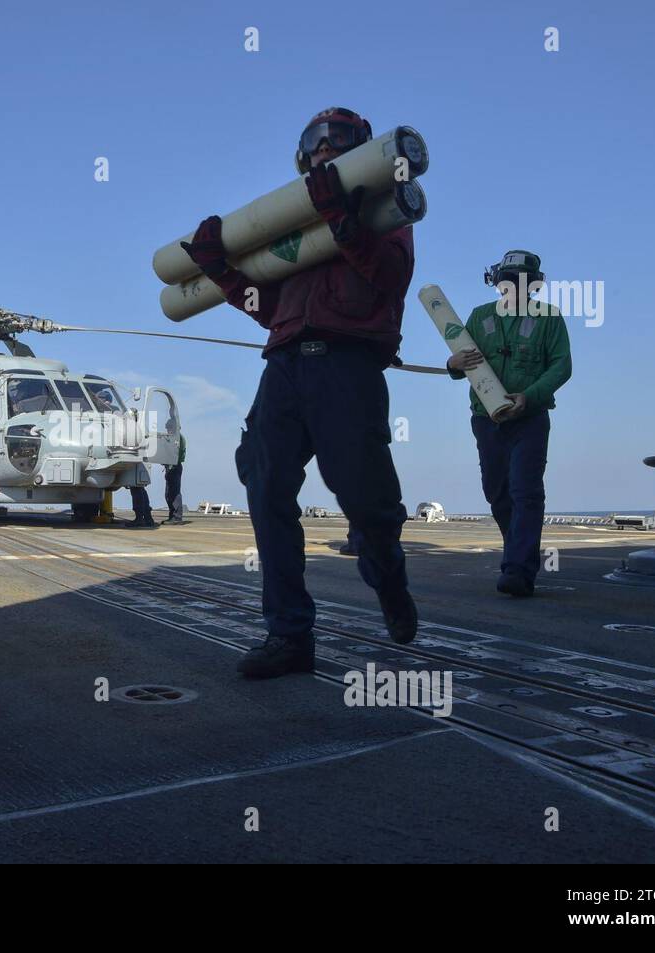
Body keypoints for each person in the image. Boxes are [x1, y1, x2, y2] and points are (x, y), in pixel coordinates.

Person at [180, 106, 419, 679]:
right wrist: (221, 271)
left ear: (364, 147)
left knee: (367, 503)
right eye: (315, 139)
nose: (324, 147)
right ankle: (289, 636)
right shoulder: (293, 230)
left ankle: (389, 579)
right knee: (266, 493)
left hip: (349, 368)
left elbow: (388, 280)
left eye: (339, 138)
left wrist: (348, 224)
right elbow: (270, 311)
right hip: (285, 368)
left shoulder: (387, 211)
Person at [447, 250, 571, 597]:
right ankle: (517, 548)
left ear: (533, 285)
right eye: (507, 279)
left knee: (525, 491)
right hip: (486, 420)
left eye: (520, 281)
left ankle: (518, 569)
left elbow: (561, 366)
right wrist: (453, 363)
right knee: (497, 492)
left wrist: (528, 396)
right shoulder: (479, 316)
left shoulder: (549, 318)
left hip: (529, 420)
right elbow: (460, 366)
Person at [161, 434, 187, 524]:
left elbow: (174, 452)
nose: (167, 430)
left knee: (174, 493)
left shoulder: (177, 438)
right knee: (169, 494)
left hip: (174, 466)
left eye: (169, 427)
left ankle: (177, 517)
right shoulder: (176, 437)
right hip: (172, 466)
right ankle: (173, 515)